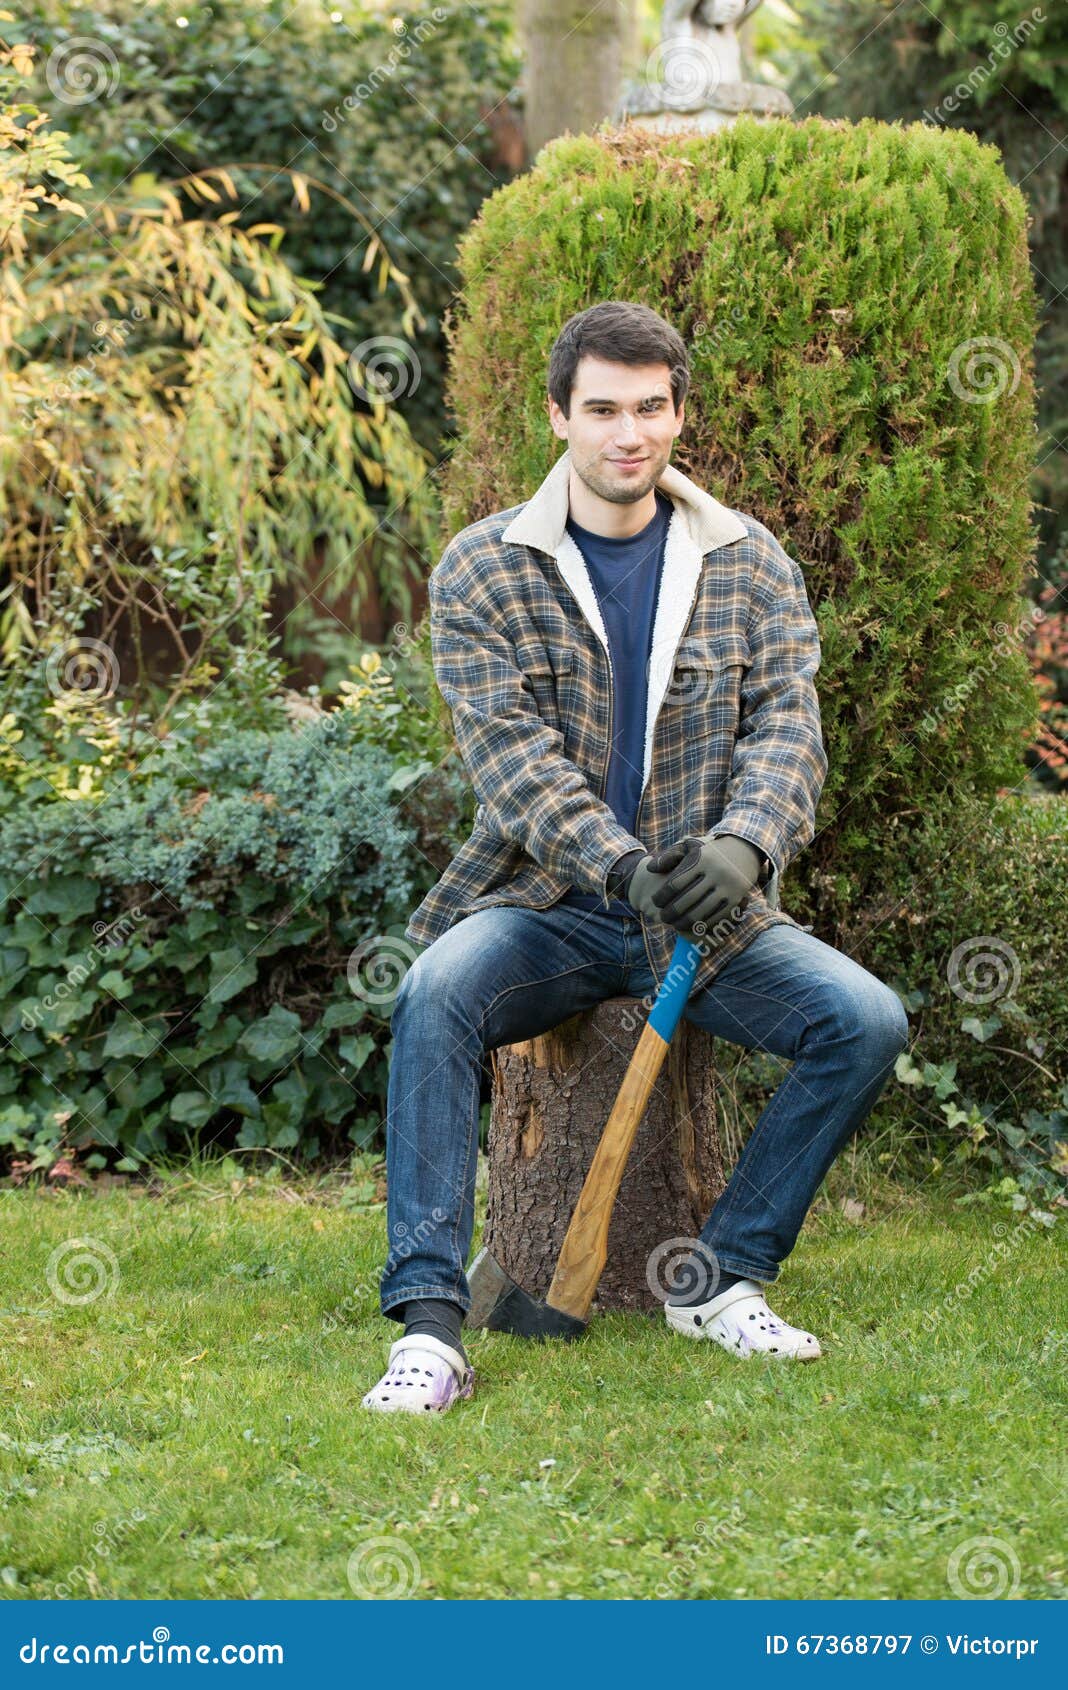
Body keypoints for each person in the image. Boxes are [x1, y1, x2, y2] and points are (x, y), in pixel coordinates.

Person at [361, 300, 909, 1414]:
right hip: (551, 905)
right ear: (558, 416)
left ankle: (719, 1279)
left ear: (678, 414)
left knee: (866, 1022)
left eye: (650, 408)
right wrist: (620, 866)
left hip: (706, 919)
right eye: (603, 409)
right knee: (433, 995)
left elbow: (789, 726)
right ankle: (429, 1326)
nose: (630, 434)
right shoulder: (484, 569)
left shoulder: (749, 562)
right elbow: (511, 759)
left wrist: (747, 845)